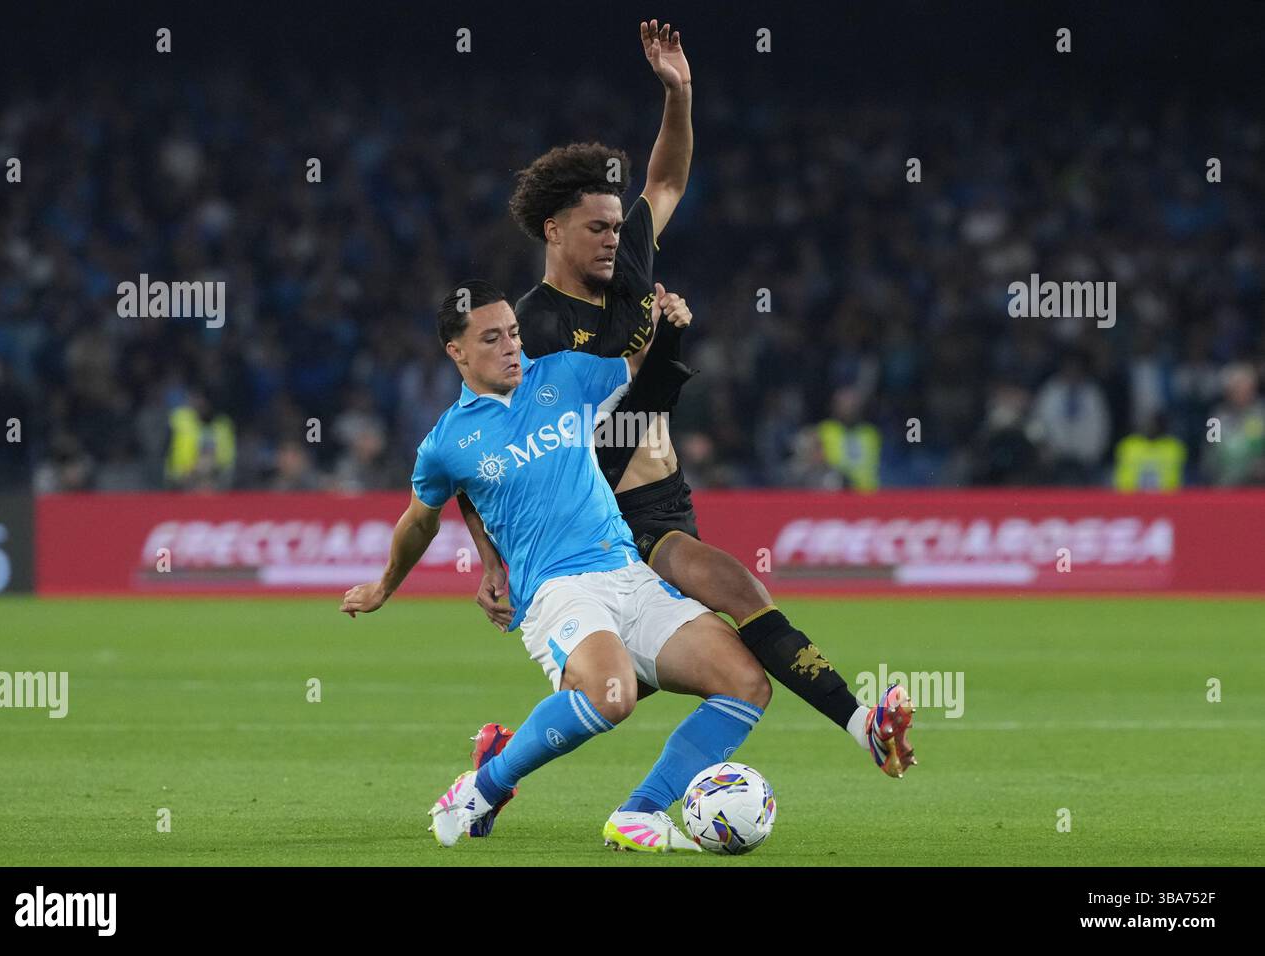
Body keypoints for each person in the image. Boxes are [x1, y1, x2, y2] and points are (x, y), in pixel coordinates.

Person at [459, 20, 916, 797]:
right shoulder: (528, 326)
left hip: (668, 494)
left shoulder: (628, 263)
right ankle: (862, 724)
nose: (614, 237)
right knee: (736, 588)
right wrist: (489, 557)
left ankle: (502, 757)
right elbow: (481, 445)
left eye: (615, 226)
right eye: (597, 227)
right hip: (606, 505)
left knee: (632, 686)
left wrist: (680, 93)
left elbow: (664, 183)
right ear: (554, 230)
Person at [342, 281, 805, 852]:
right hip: (557, 590)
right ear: (456, 352)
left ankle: (638, 814)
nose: (511, 346)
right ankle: (482, 787)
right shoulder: (446, 443)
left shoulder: (563, 375)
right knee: (614, 695)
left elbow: (640, 363)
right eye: (491, 339)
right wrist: (385, 586)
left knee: (747, 682)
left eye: (513, 332)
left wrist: (670, 325)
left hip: (627, 572)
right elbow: (421, 521)